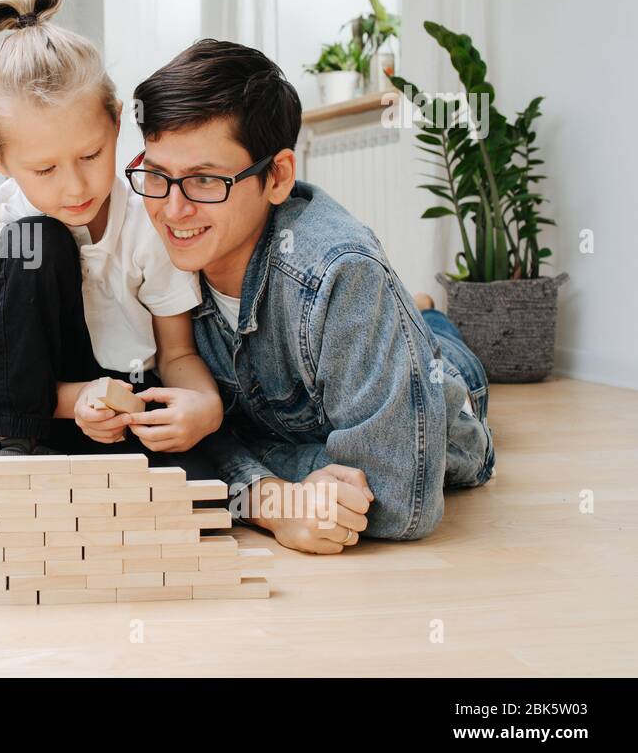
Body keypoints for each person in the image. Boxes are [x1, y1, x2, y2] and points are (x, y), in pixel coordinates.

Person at [129, 38, 494, 552]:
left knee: (441, 351)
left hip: (447, 394)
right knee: (405, 321)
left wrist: (261, 493)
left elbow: (398, 496)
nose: (171, 210)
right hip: (332, 382)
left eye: (205, 181)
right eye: (157, 175)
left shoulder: (339, 273)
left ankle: (426, 318)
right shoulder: (144, 251)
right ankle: (419, 310)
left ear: (276, 176)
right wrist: (275, 497)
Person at [0, 0, 223, 468]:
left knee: (205, 494)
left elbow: (178, 353)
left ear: (117, 124)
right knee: (33, 239)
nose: (76, 187)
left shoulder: (148, 217)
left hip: (132, 405)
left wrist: (203, 407)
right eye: (45, 170)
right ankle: (16, 457)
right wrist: (76, 399)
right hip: (43, 419)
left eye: (91, 155)